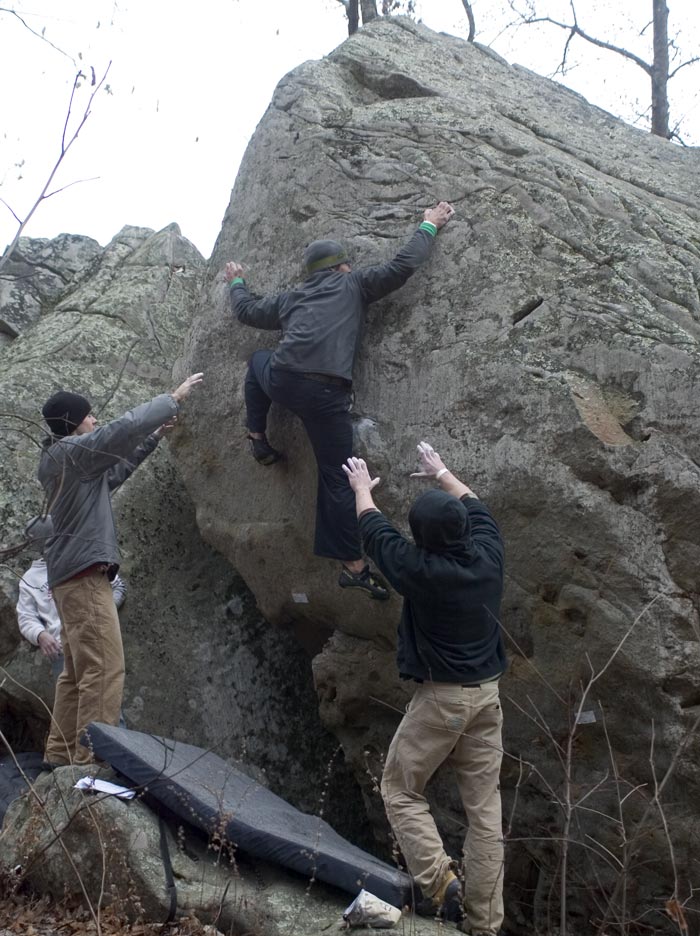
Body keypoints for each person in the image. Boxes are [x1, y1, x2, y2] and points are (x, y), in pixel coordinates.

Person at [224, 202, 455, 600]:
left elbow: (246, 311)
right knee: (338, 474)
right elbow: (402, 266)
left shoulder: (291, 299)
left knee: (257, 360)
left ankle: (257, 435)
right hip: (328, 394)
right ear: (342, 266)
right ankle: (353, 566)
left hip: (283, 379)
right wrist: (428, 225)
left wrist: (237, 282)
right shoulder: (355, 285)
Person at [343, 442, 506, 936]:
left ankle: (439, 883)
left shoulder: (420, 571)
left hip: (442, 700)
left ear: (422, 538)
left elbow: (374, 530)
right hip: (488, 697)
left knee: (399, 788)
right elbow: (475, 503)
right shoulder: (488, 554)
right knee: (485, 812)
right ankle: (485, 924)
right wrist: (442, 473)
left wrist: (360, 488)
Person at [38, 373, 203, 766]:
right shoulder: (72, 453)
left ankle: (59, 756)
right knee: (106, 668)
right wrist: (171, 399)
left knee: (77, 674)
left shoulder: (64, 463)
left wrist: (156, 436)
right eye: (88, 416)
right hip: (83, 577)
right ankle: (90, 762)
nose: (94, 420)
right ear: (73, 423)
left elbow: (114, 472)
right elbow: (119, 430)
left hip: (67, 578)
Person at [17, 515, 126, 681]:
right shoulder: (30, 578)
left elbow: (118, 587)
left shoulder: (82, 560)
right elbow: (26, 617)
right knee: (73, 702)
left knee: (104, 698)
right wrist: (40, 635)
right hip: (63, 651)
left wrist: (103, 614)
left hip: (96, 639)